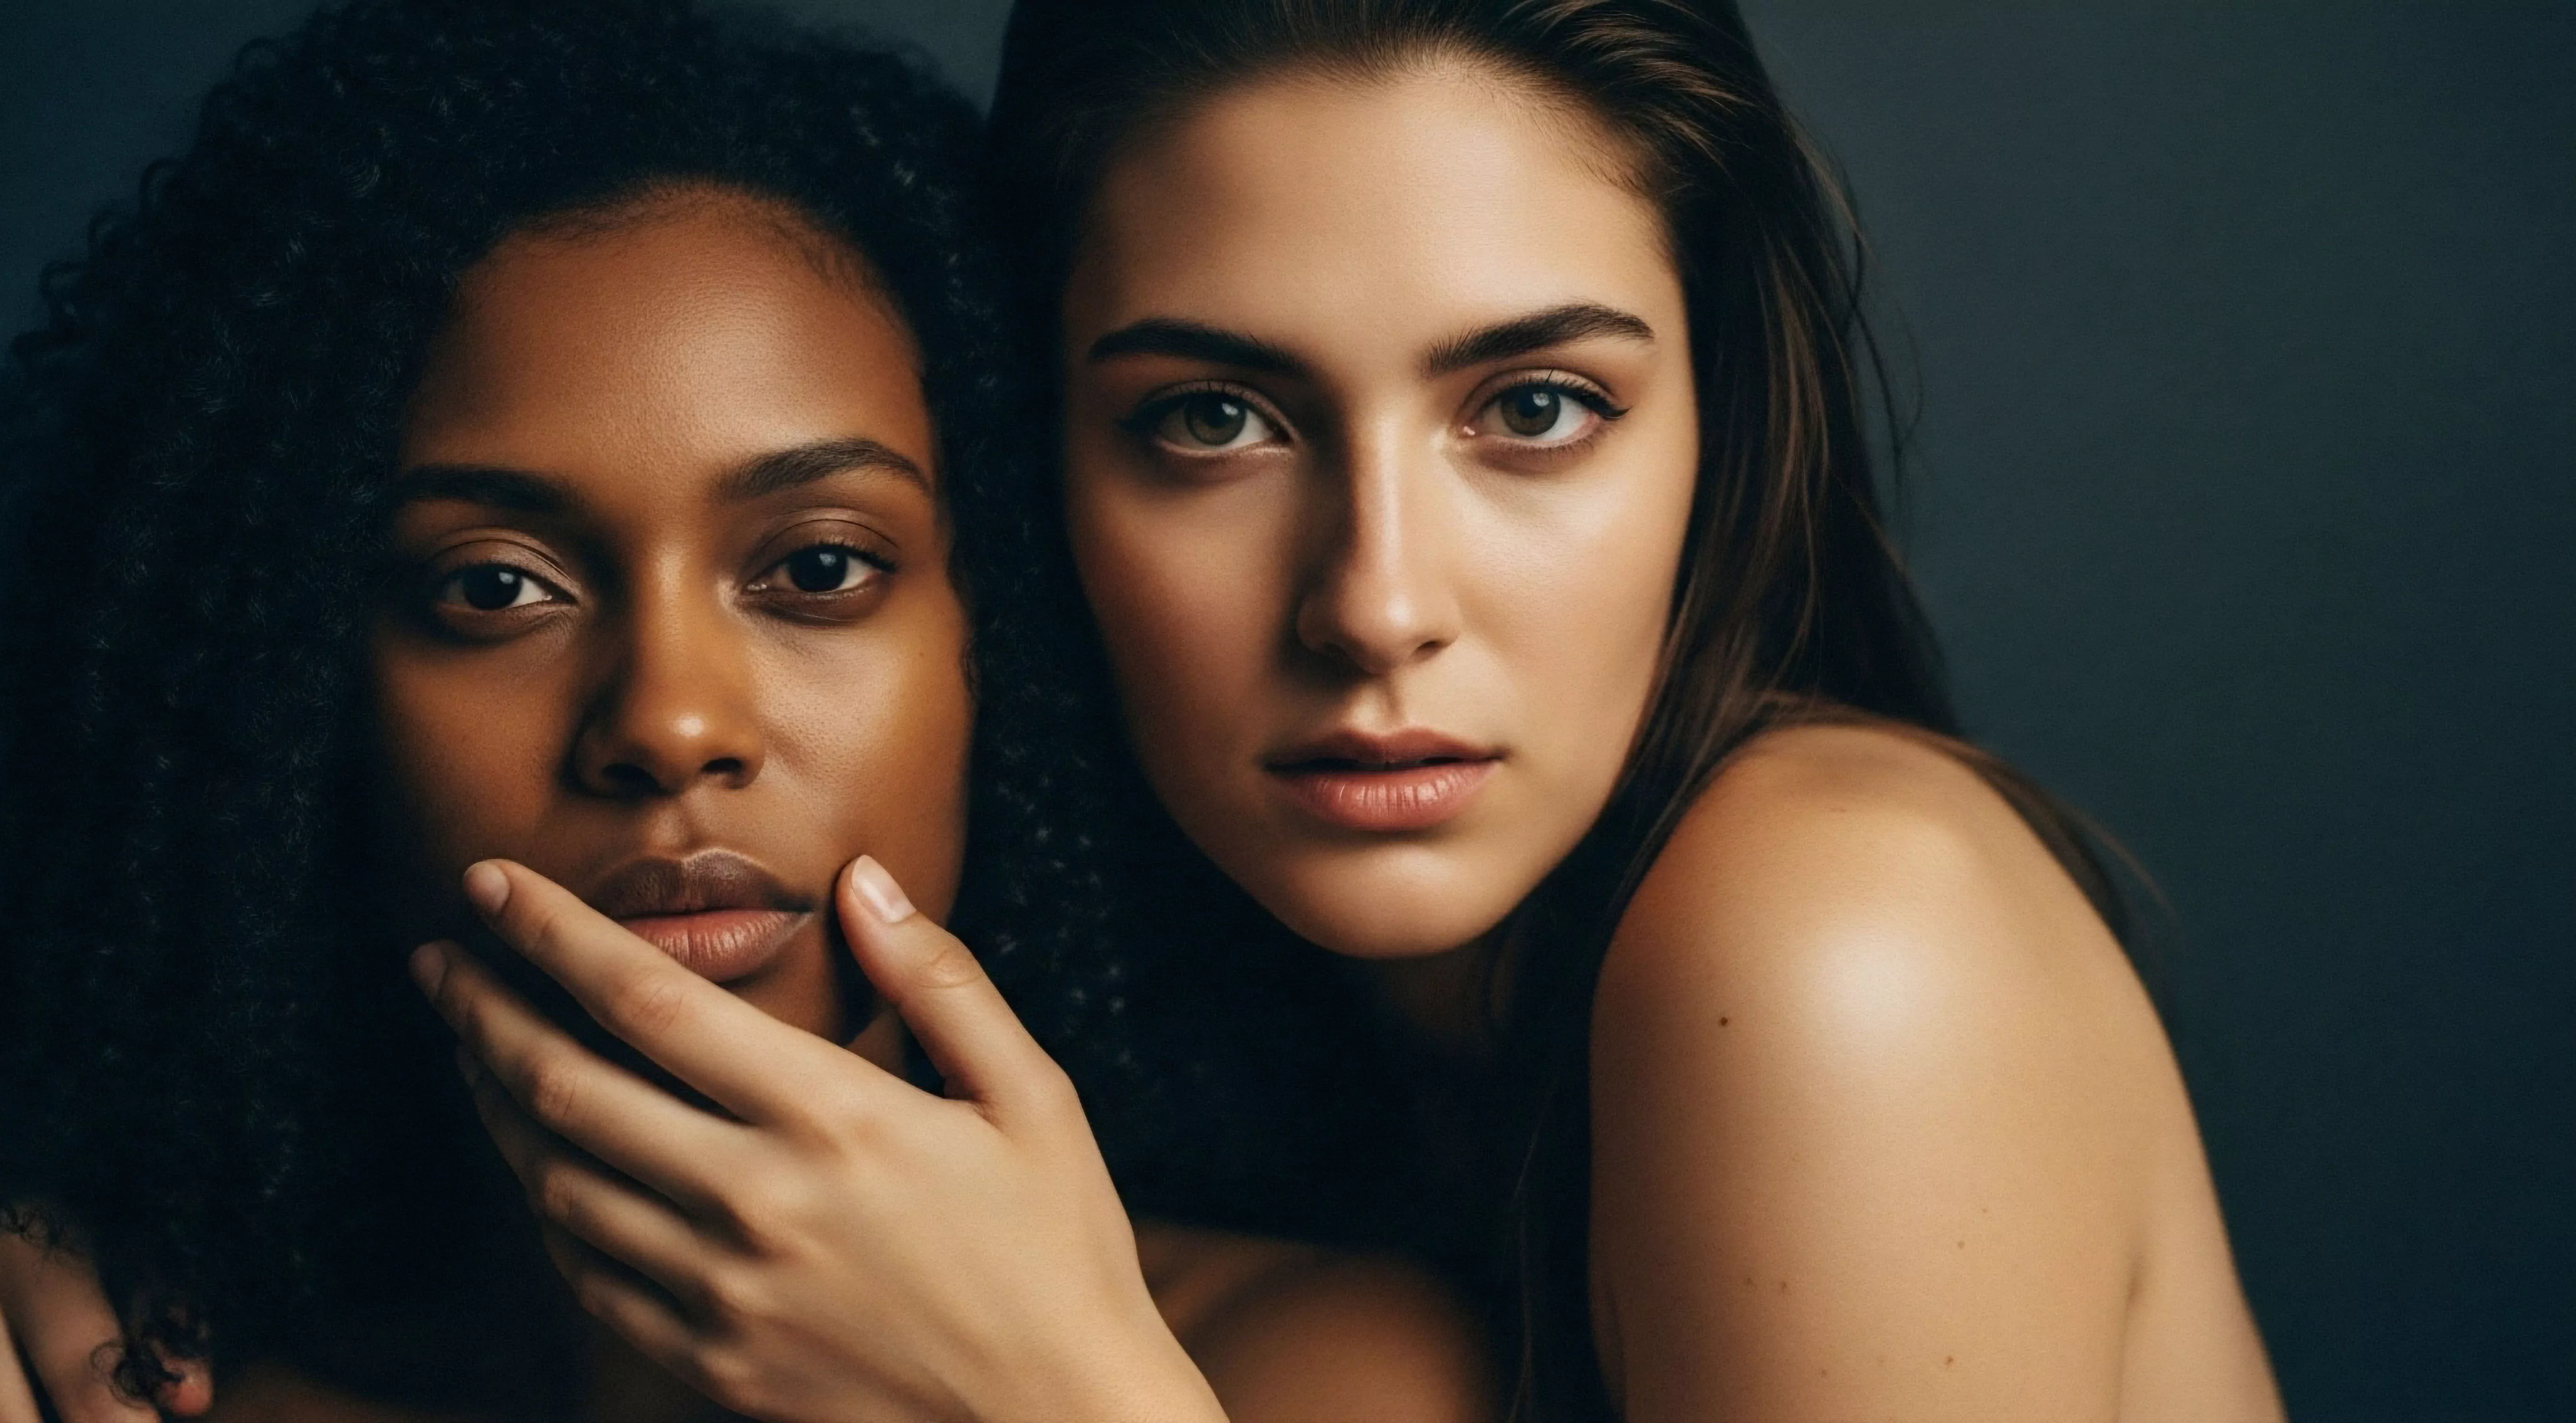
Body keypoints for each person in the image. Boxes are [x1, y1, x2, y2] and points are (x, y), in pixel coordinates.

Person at [379, 1, 2289, 1421]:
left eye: (1533, 408)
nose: (1376, 602)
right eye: (1212, 421)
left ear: (1720, 428)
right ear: (1026, 467)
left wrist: (1066, 1399)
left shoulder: (1835, 938)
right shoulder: (1186, 1011)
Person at [0, 3, 1484, 1419]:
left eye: (821, 567)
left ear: (1005, 645)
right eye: (494, 590)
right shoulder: (118, 1384)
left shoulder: (1316, 1374)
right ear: (281, 697)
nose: (673, 726)